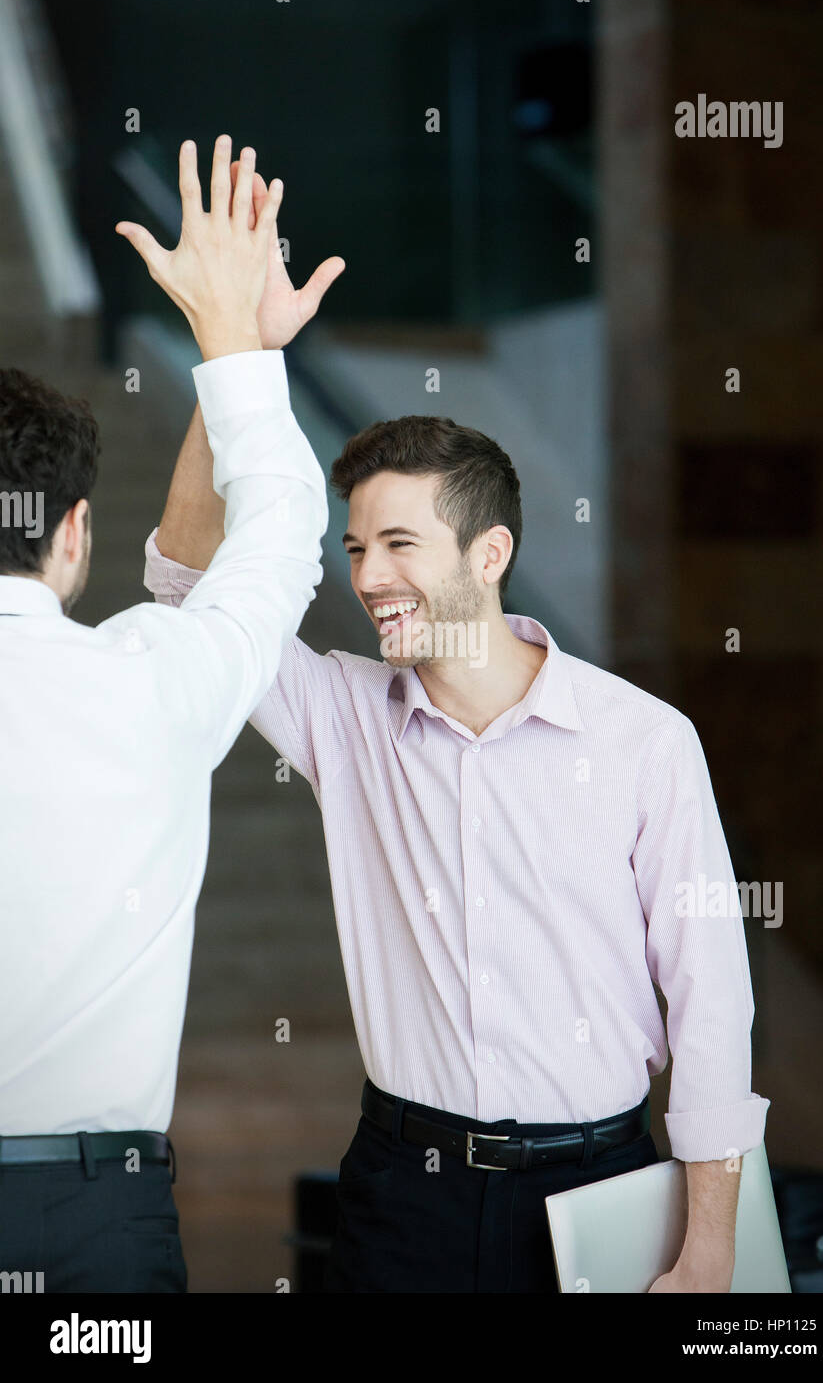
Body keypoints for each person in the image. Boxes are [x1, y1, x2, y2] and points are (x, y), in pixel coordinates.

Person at [144, 169, 770, 1296]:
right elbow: (185, 586)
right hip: (404, 1190)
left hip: (605, 1188)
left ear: (489, 555)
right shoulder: (346, 715)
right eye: (354, 550)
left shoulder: (645, 740)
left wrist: (710, 1237)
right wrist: (232, 350)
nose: (367, 576)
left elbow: (712, 994)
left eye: (399, 545)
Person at [0, 134, 342, 1292]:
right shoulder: (152, 682)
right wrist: (231, 343)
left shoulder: (155, 674)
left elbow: (218, 554)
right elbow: (277, 530)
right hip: (93, 1225)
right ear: (76, 531)